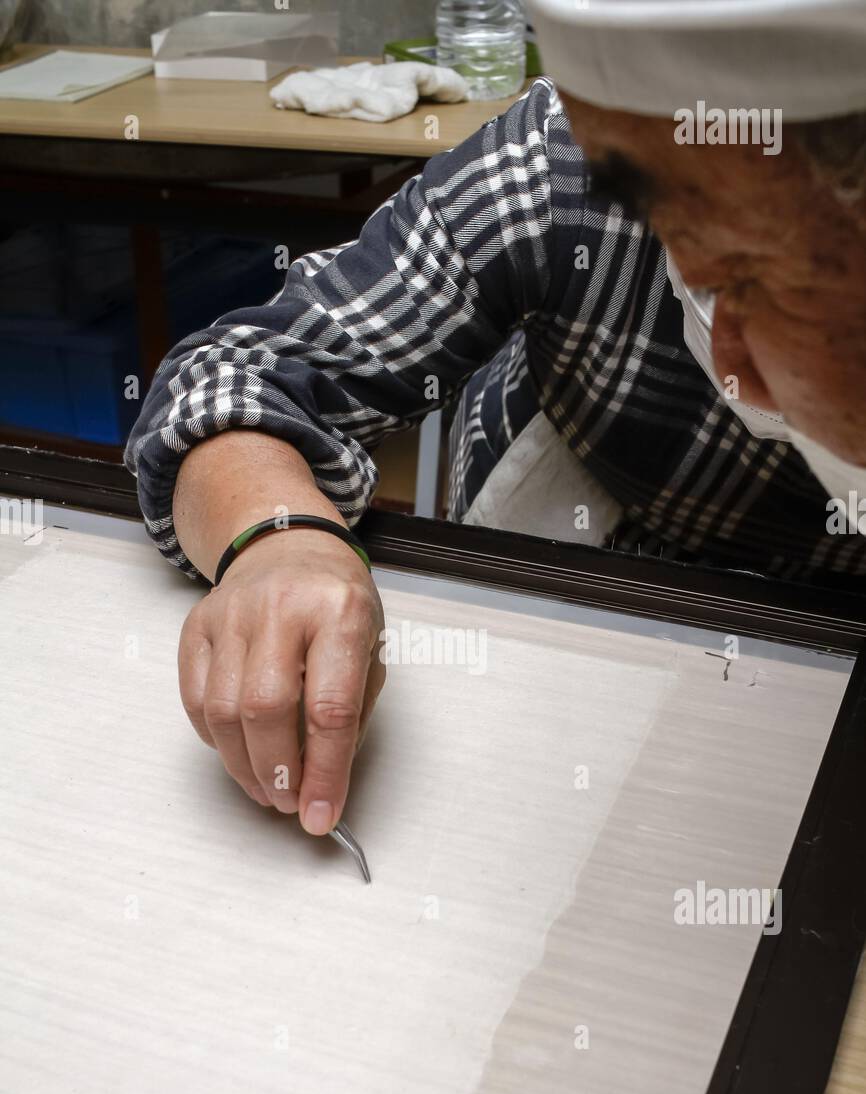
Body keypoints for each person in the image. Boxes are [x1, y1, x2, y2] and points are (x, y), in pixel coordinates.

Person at [125, 0, 866, 838]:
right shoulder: (563, 166)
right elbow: (230, 377)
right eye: (688, 261)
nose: (728, 363)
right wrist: (277, 537)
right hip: (573, 584)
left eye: (763, 280)